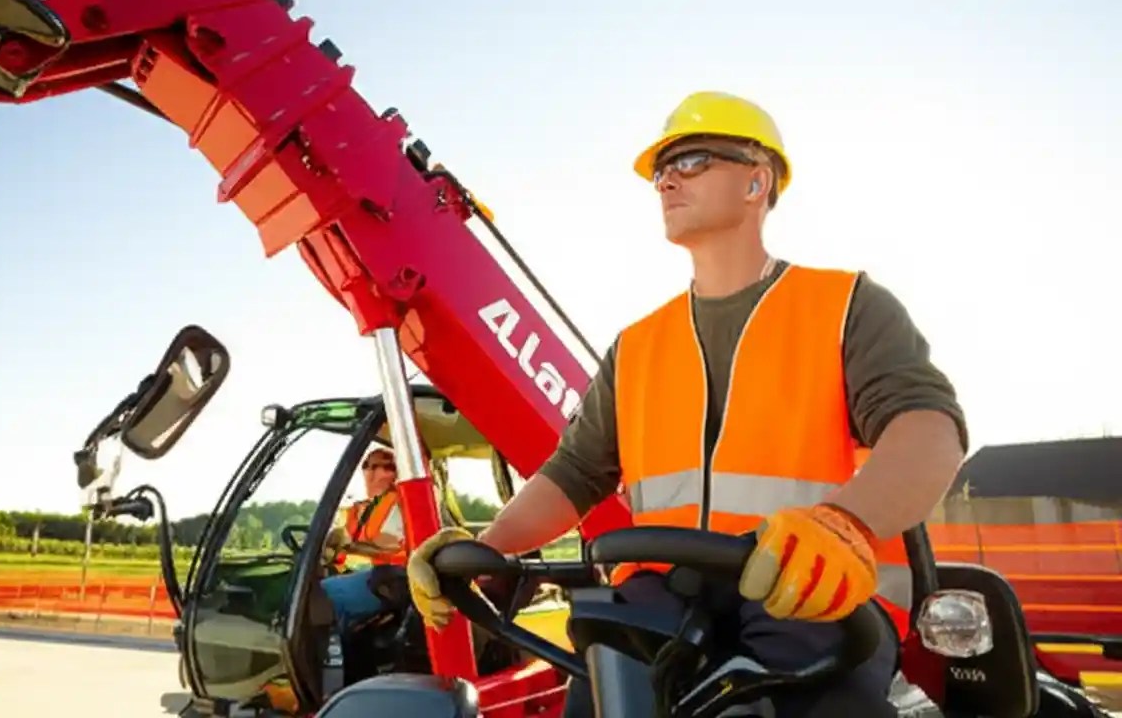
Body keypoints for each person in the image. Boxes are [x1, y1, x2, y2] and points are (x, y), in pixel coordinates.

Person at [404, 91, 968, 717]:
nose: (666, 179)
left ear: (758, 181)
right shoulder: (638, 345)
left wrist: (846, 525)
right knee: (602, 688)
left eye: (692, 159)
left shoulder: (847, 306)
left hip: (809, 596)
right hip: (661, 595)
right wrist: (487, 547)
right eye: (660, 171)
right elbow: (574, 473)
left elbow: (927, 430)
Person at [320, 447, 408, 631]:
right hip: (368, 574)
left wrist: (350, 546)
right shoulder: (362, 508)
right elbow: (338, 539)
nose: (382, 473)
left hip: (391, 579)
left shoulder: (398, 502)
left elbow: (389, 545)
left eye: (389, 467)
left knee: (323, 593)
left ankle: (328, 652)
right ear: (365, 471)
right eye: (373, 466)